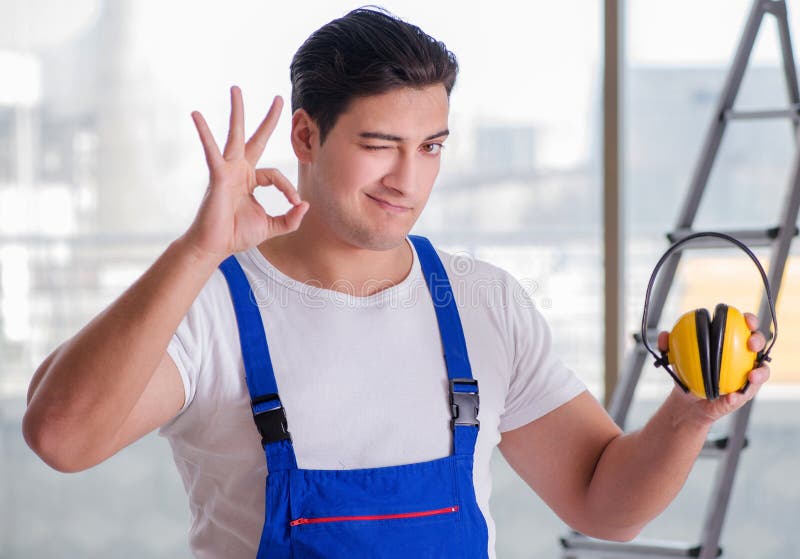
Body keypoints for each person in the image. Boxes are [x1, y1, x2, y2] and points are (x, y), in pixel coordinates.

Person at [22, 7, 770, 559]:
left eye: (431, 147)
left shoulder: (482, 302)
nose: (407, 180)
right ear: (307, 136)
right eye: (380, 146)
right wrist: (196, 250)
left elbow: (606, 504)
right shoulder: (212, 306)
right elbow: (60, 436)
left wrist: (688, 414)